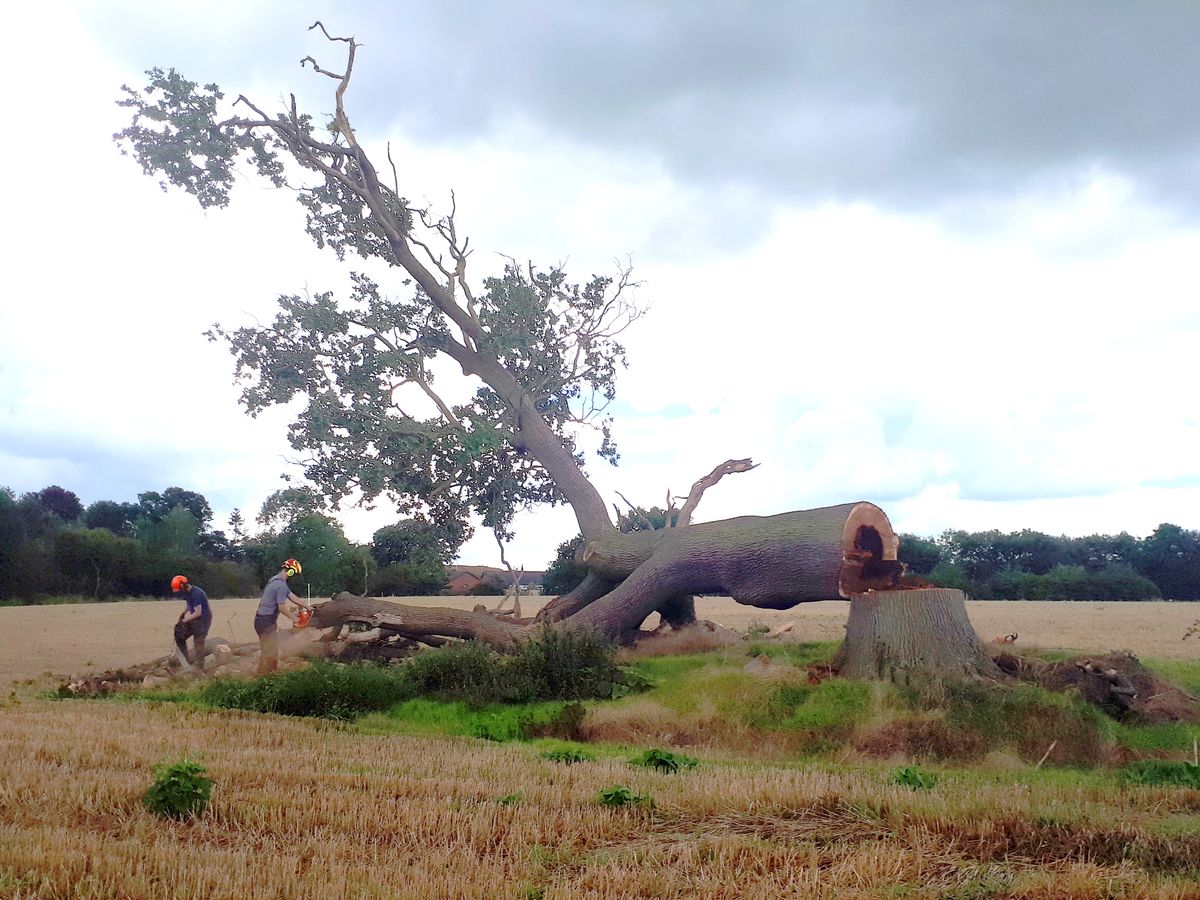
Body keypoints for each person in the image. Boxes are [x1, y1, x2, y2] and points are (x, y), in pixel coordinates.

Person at [254, 558, 311, 675]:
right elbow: (282, 607)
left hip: (262, 620)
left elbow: (291, 596)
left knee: (267, 649)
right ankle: (268, 676)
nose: (293, 577)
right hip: (266, 621)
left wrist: (306, 605)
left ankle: (260, 673)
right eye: (293, 574)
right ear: (290, 571)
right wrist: (294, 618)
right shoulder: (280, 585)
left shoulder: (275, 580)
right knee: (271, 652)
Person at [171, 575, 212, 673]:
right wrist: (183, 613)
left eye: (180, 589)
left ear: (183, 585)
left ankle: (199, 667)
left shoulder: (196, 593)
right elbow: (189, 604)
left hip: (203, 620)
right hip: (195, 618)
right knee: (179, 635)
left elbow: (198, 612)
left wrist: (184, 621)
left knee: (198, 643)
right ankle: (186, 661)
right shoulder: (187, 592)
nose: (180, 591)